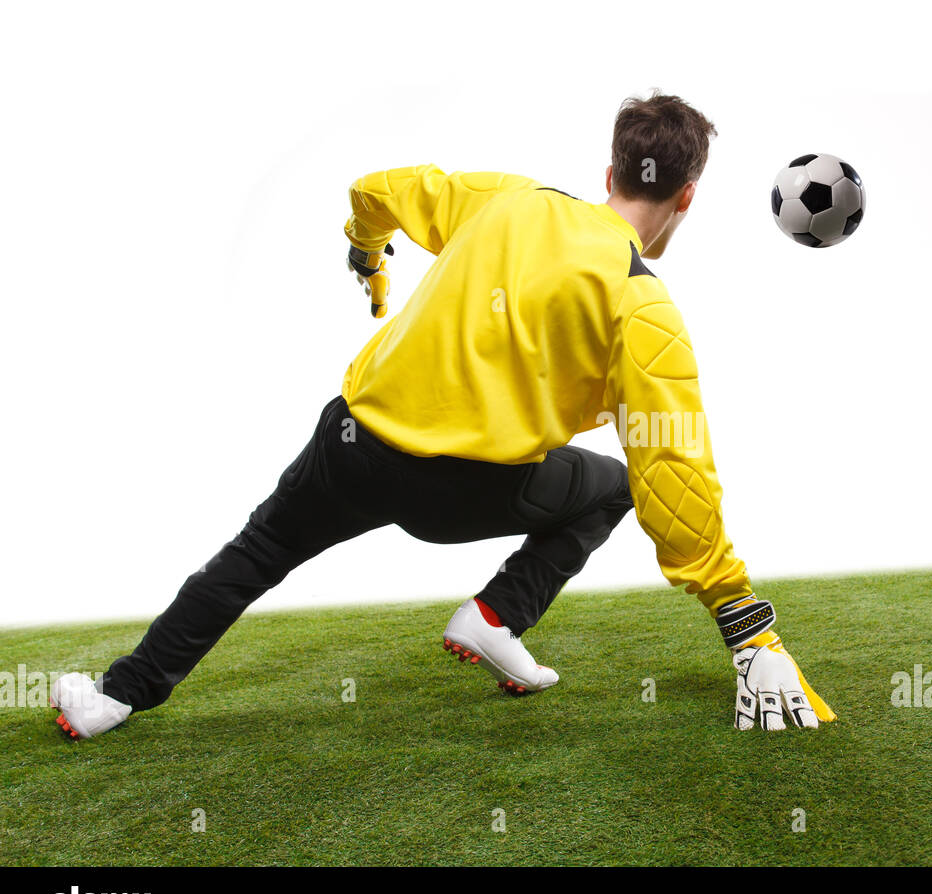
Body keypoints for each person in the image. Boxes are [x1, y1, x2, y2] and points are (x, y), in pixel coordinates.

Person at [50, 92, 836, 740]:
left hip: (353, 445)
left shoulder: (510, 201)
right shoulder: (643, 302)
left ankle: (111, 699)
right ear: (687, 195)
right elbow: (672, 467)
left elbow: (377, 190)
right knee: (614, 487)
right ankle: (497, 613)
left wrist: (367, 252)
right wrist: (743, 621)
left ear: (610, 170)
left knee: (253, 555)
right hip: (464, 491)